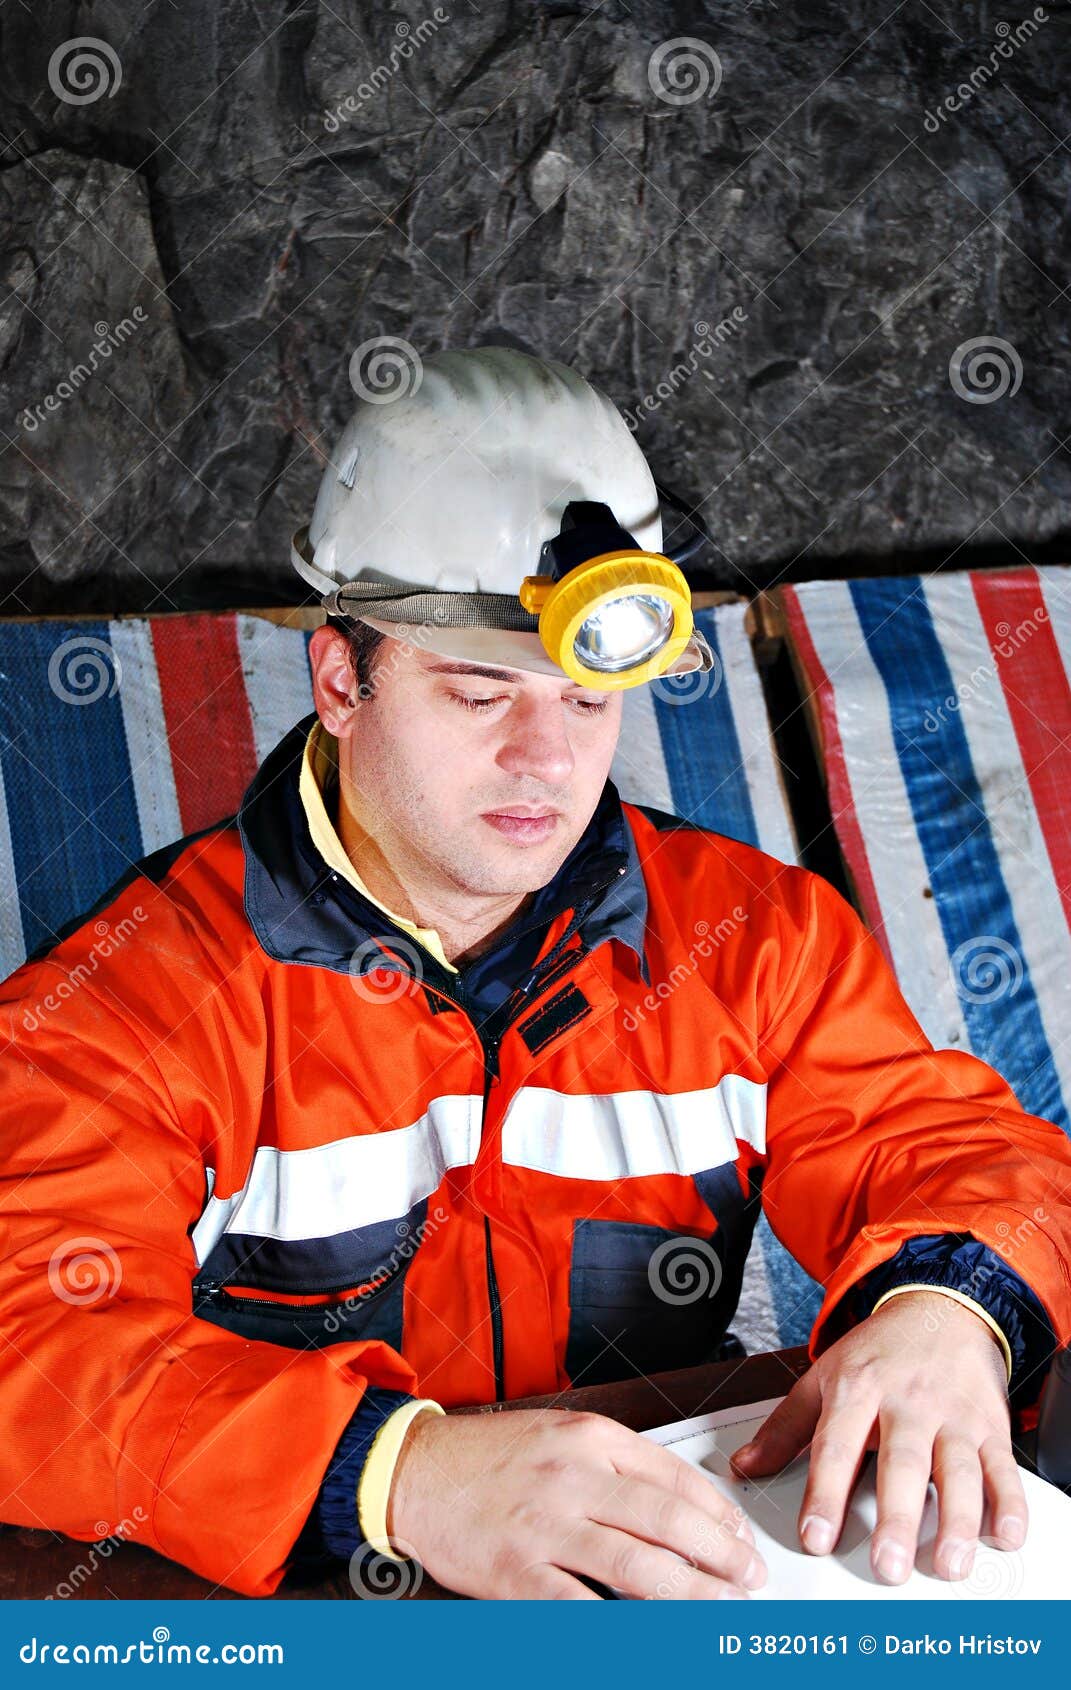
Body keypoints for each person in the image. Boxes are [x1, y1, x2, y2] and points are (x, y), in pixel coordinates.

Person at [0, 346, 1068, 1602]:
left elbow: (953, 1149)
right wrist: (391, 1474)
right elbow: (32, 1342)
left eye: (586, 700)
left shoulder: (753, 940)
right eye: (478, 695)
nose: (546, 761)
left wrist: (952, 1304)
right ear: (342, 680)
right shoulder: (125, 1003)